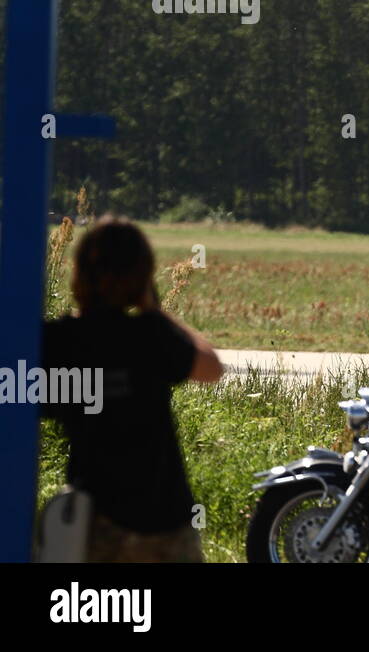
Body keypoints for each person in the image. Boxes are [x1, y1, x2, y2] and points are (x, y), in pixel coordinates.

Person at [42, 216, 224, 562]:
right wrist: (155, 310)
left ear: (79, 275)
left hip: (95, 521)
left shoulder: (60, 342)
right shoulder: (150, 335)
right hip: (165, 520)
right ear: (142, 277)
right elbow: (212, 368)